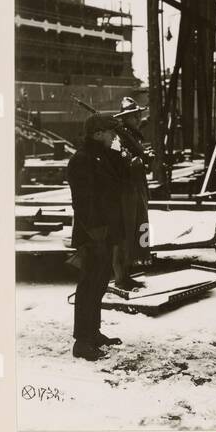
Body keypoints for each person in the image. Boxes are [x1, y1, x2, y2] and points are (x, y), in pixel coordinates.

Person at [66, 115, 126, 360]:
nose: (114, 136)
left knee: (100, 283)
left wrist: (121, 149)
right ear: (97, 133)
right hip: (93, 232)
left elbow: (120, 174)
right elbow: (83, 202)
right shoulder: (82, 160)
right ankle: (82, 341)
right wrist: (95, 231)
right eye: (111, 132)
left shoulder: (99, 156)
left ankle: (93, 332)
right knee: (88, 285)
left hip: (105, 230)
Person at [110, 96, 152, 289]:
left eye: (138, 115)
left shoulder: (133, 137)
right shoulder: (118, 139)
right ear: (126, 118)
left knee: (136, 232)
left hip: (136, 190)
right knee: (124, 235)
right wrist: (139, 162)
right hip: (125, 193)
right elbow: (119, 165)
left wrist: (144, 160)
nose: (139, 119)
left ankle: (126, 274)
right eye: (135, 116)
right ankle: (120, 278)